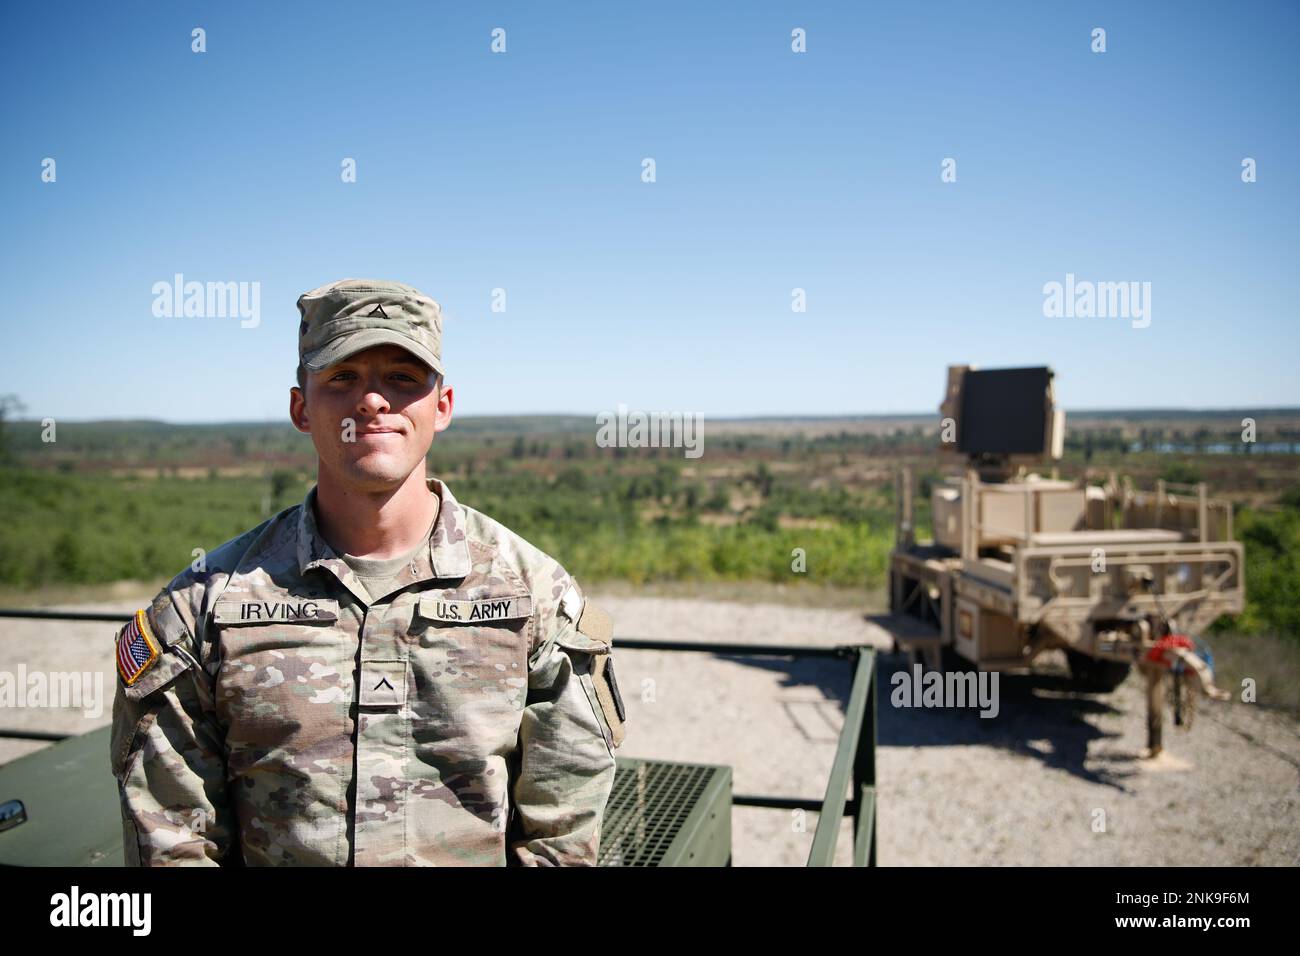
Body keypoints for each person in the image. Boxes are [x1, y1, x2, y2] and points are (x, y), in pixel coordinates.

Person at [109, 278, 626, 866]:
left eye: (403, 378)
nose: (373, 401)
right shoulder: (204, 607)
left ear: (443, 406)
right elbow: (174, 841)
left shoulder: (533, 594)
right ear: (301, 407)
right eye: (342, 378)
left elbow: (561, 837)